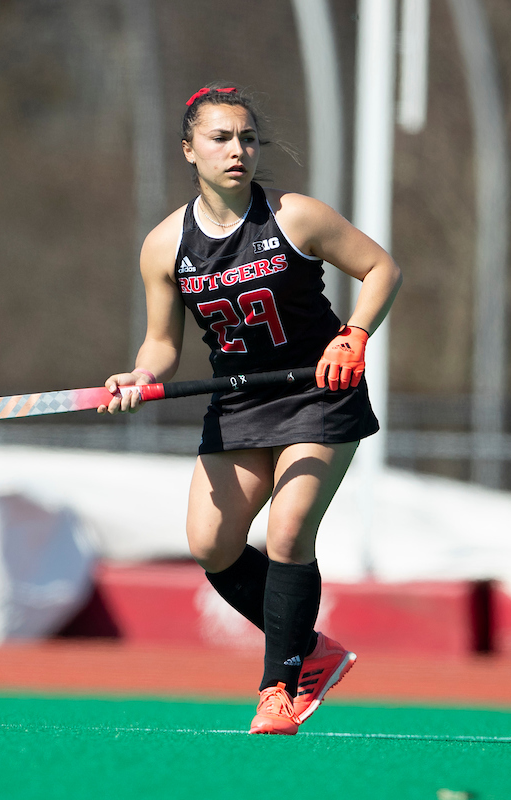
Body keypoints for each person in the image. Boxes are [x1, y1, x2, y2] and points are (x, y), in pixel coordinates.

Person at [100, 84, 401, 735]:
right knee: (212, 545)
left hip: (319, 389)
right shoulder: (164, 245)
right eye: (220, 138)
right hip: (238, 400)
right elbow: (161, 344)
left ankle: (278, 688)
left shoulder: (296, 217)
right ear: (189, 149)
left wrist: (354, 336)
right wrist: (139, 377)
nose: (238, 151)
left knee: (289, 531)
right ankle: (311, 649)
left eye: (248, 138)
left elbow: (382, 269)